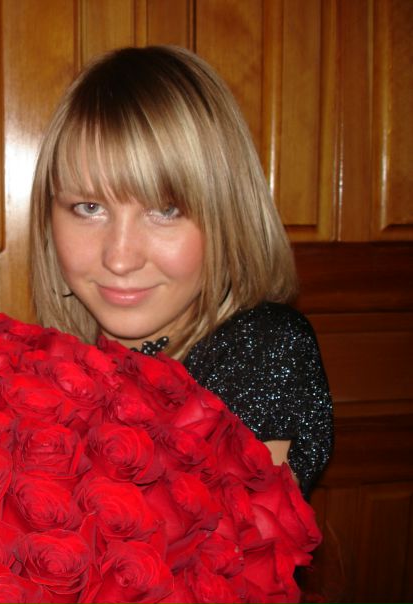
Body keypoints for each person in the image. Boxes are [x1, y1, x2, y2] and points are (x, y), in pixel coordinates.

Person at [29, 45, 333, 496]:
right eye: (89, 207)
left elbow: (233, 536)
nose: (120, 258)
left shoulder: (260, 352)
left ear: (227, 218)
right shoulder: (52, 365)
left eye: (165, 210)